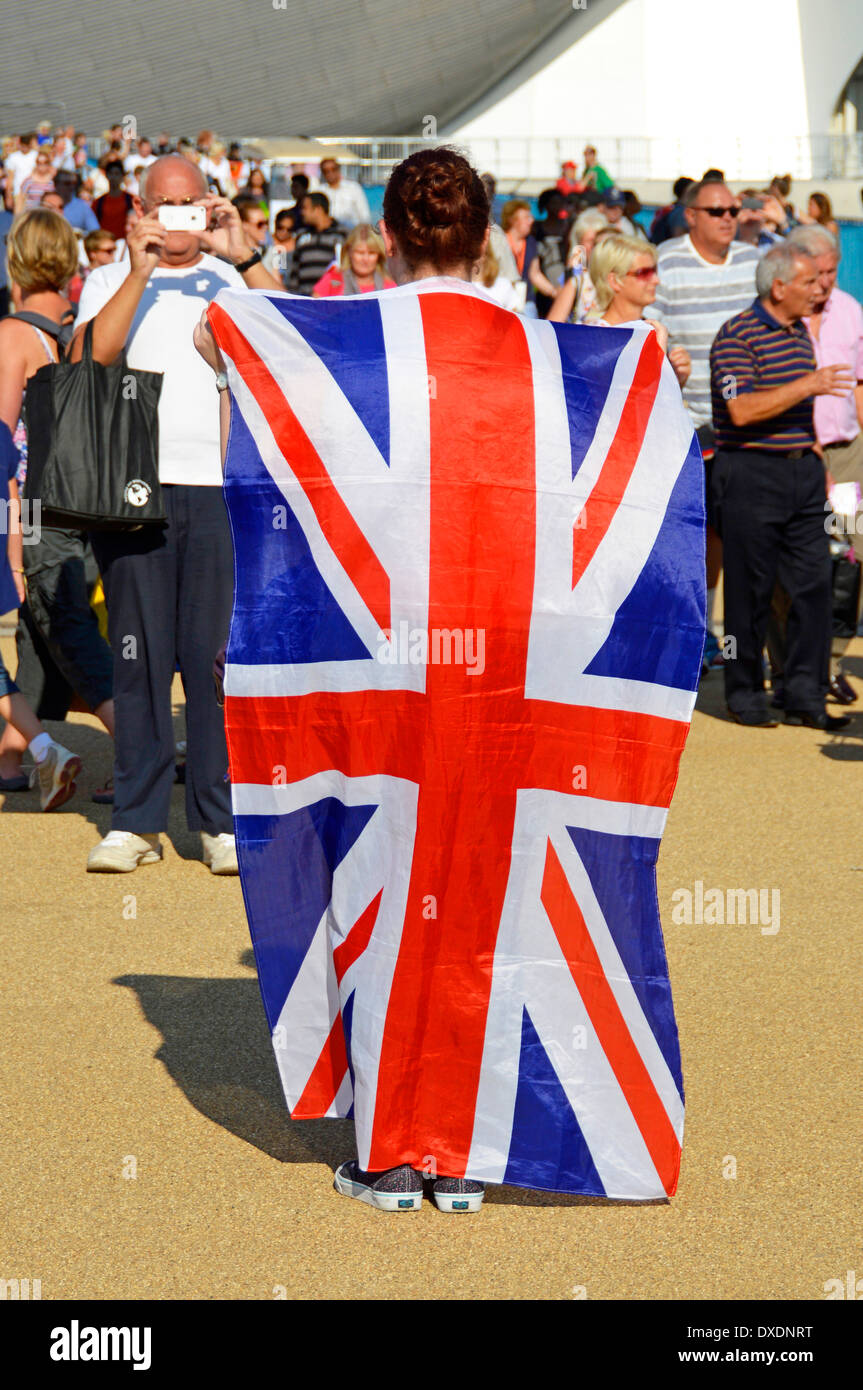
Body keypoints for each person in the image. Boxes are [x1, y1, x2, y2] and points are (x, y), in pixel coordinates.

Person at [195, 143, 700, 1215]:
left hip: (381, 666)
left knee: (376, 873)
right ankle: (465, 1150)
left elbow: (216, 333)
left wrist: (246, 280)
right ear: (482, 237)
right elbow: (646, 401)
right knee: (492, 888)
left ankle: (387, 1146)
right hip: (518, 668)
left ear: (385, 232)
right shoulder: (550, 356)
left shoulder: (341, 347)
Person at [70, 155, 283, 874]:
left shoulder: (230, 274)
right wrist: (138, 269)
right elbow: (93, 357)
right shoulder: (111, 276)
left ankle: (217, 821)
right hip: (131, 490)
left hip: (218, 488)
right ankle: (134, 820)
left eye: (192, 202)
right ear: (140, 207)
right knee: (138, 659)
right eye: (166, 204)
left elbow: (290, 332)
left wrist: (242, 251)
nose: (179, 217)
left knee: (213, 663)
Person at [709, 242, 855, 730]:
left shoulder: (797, 335)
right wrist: (808, 385)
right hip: (751, 475)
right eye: (809, 281)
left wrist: (815, 453)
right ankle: (744, 693)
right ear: (779, 287)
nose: (820, 289)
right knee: (748, 595)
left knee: (813, 587)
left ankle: (805, 696)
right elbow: (742, 409)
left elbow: (796, 409)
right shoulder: (736, 336)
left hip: (802, 474)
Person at [0, 209, 115, 790]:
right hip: (79, 501)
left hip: (32, 507)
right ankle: (15, 757)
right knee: (37, 628)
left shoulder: (11, 336)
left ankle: (133, 743)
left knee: (63, 624)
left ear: (14, 259)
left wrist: (12, 540)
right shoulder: (71, 333)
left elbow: (0, 444)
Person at [645, 178, 760, 667]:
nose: (729, 217)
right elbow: (652, 333)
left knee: (745, 534)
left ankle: (741, 641)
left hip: (752, 424)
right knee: (699, 533)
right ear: (690, 215)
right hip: (691, 425)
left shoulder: (755, 261)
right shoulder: (666, 262)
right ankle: (702, 632)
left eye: (734, 209)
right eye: (717, 211)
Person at [0, 419, 83, 808]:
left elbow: (16, 494)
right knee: (35, 638)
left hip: (39, 514)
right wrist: (16, 564)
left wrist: (18, 563)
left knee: (61, 637)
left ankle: (34, 753)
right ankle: (24, 754)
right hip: (55, 509)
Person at [587, 234, 691, 388]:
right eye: (644, 273)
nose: (656, 280)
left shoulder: (652, 330)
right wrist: (659, 369)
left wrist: (677, 380)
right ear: (615, 281)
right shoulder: (596, 340)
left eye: (655, 271)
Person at [546, 208, 608, 323]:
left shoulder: (617, 274)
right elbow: (558, 308)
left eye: (598, 241)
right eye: (590, 241)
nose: (595, 246)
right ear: (579, 243)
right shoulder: (576, 273)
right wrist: (571, 271)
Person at [501, 199, 557, 318]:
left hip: (526, 303)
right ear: (513, 220)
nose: (531, 221)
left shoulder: (530, 242)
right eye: (526, 217)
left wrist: (555, 293)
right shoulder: (499, 241)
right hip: (503, 301)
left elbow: (535, 274)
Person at [312, 224, 396, 296]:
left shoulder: (391, 287)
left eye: (371, 253)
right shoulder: (332, 281)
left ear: (379, 255)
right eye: (360, 252)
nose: (365, 259)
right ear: (349, 252)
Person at [287, 192, 345, 296]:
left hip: (330, 299)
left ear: (318, 209)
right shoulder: (301, 235)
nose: (302, 212)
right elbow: (295, 270)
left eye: (305, 208)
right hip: (304, 299)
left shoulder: (342, 234)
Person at [318, 156, 370, 229]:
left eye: (333, 169)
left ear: (338, 169)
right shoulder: (320, 191)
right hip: (329, 234)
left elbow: (364, 215)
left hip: (352, 233)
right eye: (326, 171)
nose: (330, 173)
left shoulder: (353, 187)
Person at [53, 167, 99, 234]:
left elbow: (94, 230)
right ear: (56, 185)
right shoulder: (47, 204)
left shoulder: (83, 207)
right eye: (67, 183)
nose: (71, 187)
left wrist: (79, 233)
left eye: (74, 183)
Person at [94, 160, 133, 238]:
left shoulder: (131, 200)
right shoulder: (98, 202)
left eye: (117, 174)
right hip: (105, 243)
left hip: (125, 243)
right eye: (111, 173)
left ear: (122, 176)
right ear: (106, 176)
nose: (113, 177)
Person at [650, 177, 694, 245]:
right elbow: (679, 239)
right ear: (687, 191)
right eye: (694, 190)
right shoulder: (680, 213)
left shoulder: (673, 208)